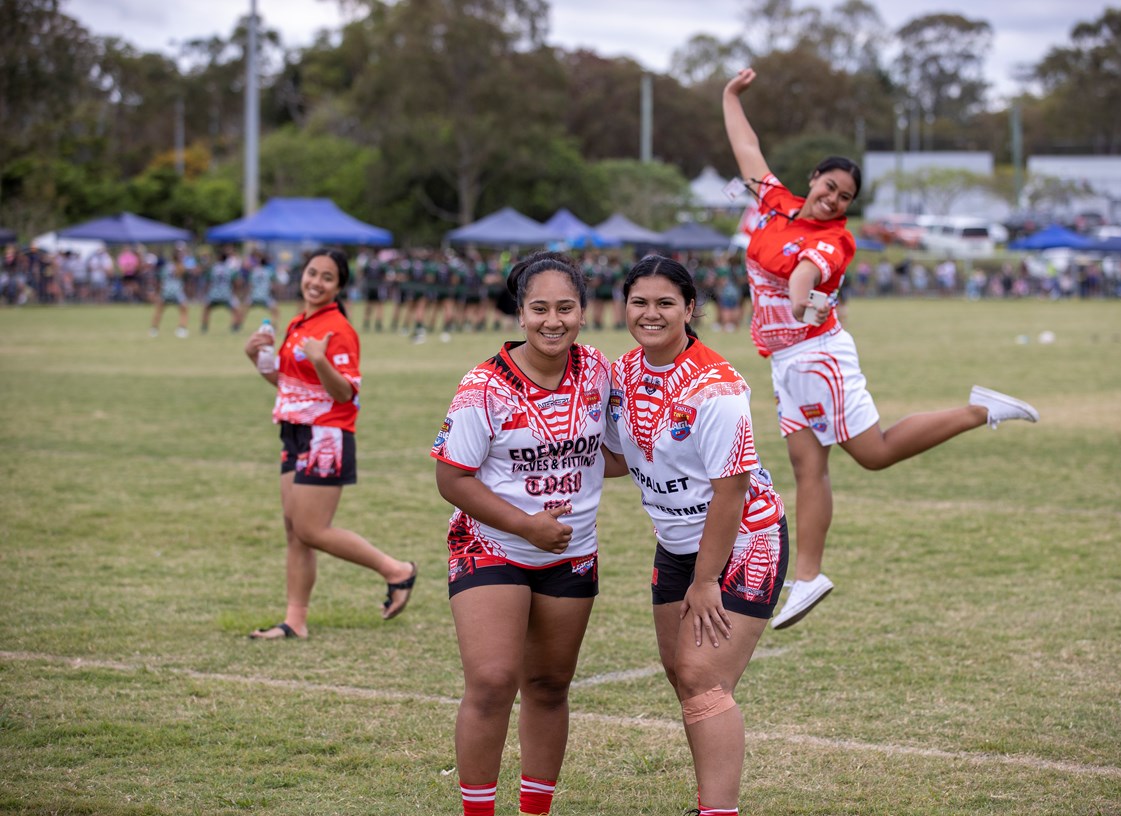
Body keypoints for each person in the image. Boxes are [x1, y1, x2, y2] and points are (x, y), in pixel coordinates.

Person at [723, 67, 1039, 630]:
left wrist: (800, 301)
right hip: (786, 363)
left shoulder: (836, 239)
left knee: (874, 453)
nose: (832, 199)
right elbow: (746, 147)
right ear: (813, 179)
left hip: (818, 358)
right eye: (828, 187)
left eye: (844, 196)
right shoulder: (774, 203)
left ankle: (979, 410)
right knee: (807, 468)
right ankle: (808, 577)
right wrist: (729, 96)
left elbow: (803, 277)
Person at [602, 255, 787, 816]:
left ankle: (719, 811)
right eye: (639, 302)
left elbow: (731, 491)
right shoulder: (622, 374)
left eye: (665, 303)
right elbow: (623, 455)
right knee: (680, 674)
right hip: (677, 543)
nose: (650, 313)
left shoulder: (717, 387)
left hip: (743, 540)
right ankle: (710, 800)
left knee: (702, 679)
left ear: (689, 308)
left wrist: (706, 581)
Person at [432, 251, 611, 816]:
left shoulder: (600, 371)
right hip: (492, 546)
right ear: (519, 313)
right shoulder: (483, 386)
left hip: (572, 553)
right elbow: (452, 478)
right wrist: (525, 526)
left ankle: (535, 811)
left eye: (565, 308)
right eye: (540, 309)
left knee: (549, 686)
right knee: (491, 682)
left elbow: (618, 451)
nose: (553, 321)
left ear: (583, 311)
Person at [243, 248, 416, 640]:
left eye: (327, 277)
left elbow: (344, 393)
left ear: (338, 287)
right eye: (312, 273)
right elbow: (288, 383)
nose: (316, 282)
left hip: (326, 435)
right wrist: (256, 357)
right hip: (294, 431)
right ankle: (295, 621)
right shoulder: (299, 321)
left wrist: (321, 360)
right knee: (295, 531)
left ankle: (397, 571)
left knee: (311, 529)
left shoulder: (337, 329)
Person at [149, 247, 191, 338]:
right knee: (184, 310)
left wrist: (157, 292)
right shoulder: (180, 266)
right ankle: (182, 329)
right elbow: (184, 278)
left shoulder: (166, 267)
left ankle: (154, 330)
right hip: (176, 291)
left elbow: (160, 280)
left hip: (166, 290)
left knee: (159, 310)